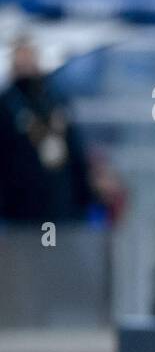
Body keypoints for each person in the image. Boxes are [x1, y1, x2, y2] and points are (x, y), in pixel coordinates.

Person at [0, 38, 100, 225]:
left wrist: (84, 195)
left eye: (29, 54)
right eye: (21, 55)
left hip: (62, 205)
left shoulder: (55, 99)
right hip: (21, 210)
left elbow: (75, 151)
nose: (26, 61)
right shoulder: (6, 105)